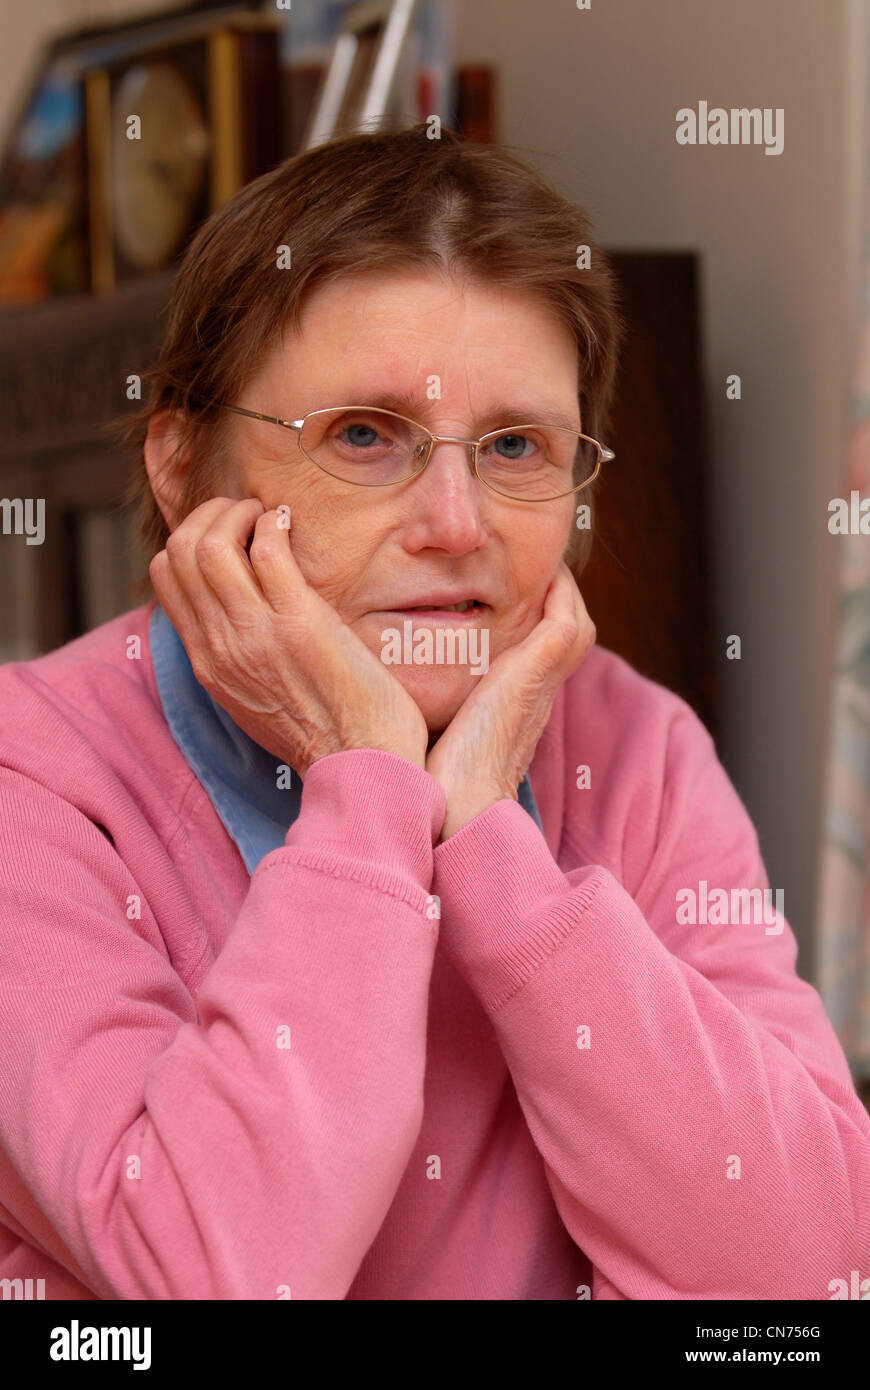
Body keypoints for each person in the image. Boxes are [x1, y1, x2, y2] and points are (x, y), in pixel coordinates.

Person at [0, 122, 867, 1302]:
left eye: (515, 445)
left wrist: (489, 844)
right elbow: (223, 1278)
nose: (455, 521)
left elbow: (807, 1273)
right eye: (365, 435)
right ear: (182, 463)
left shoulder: (638, 748)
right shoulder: (32, 782)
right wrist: (369, 787)